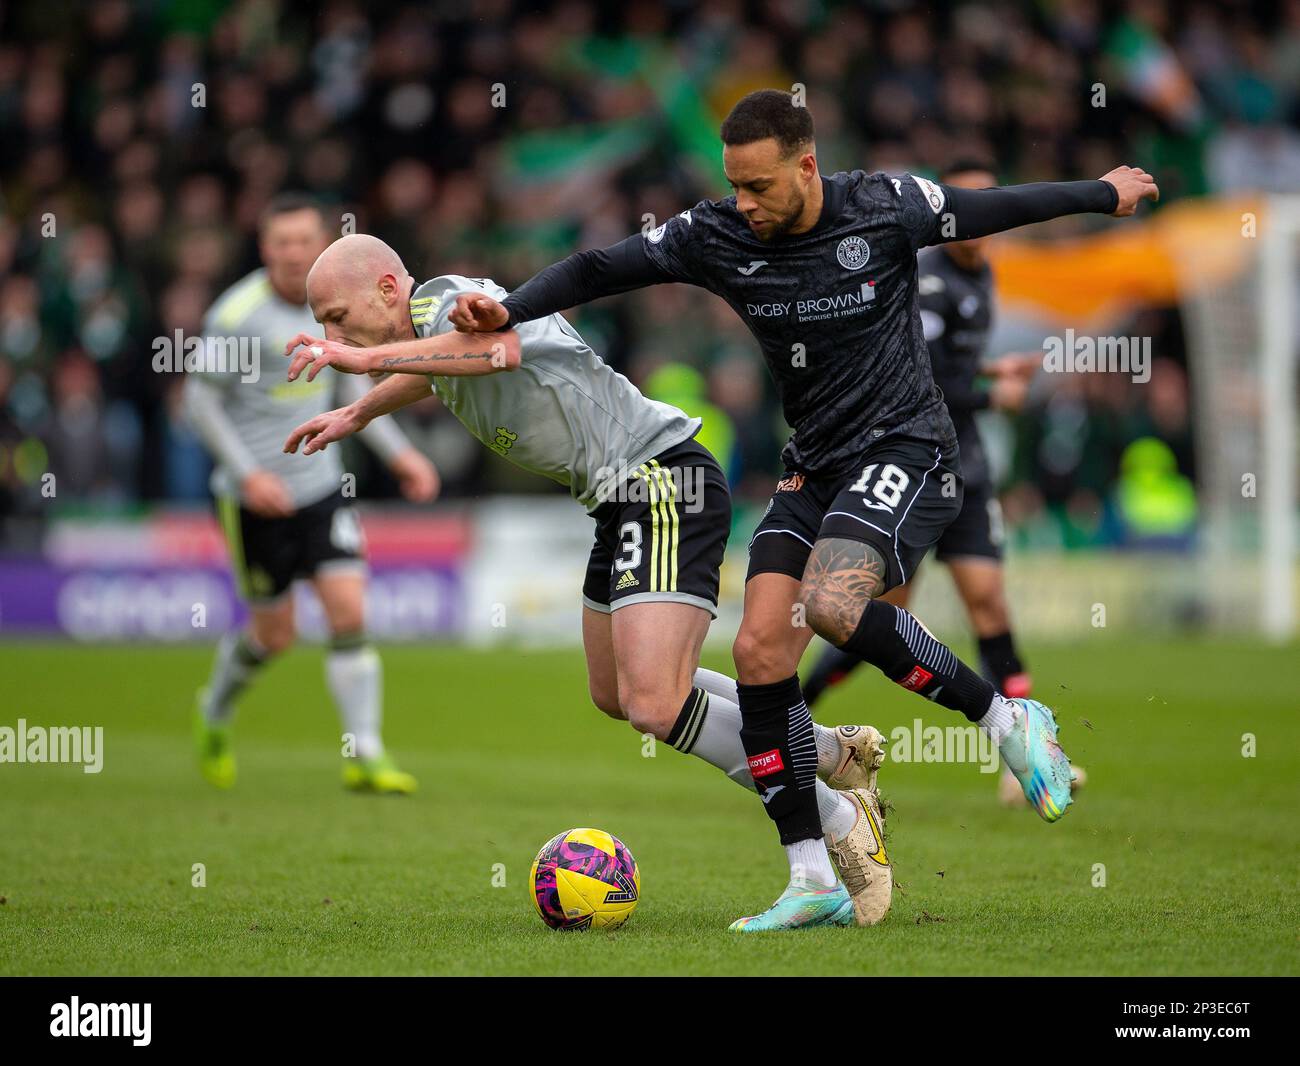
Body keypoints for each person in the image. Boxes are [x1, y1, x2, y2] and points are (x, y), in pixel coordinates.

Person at [448, 90, 1158, 929]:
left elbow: (986, 211)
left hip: (906, 449)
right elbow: (602, 268)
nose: (744, 204)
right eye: (735, 186)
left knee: (831, 605)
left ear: (806, 164)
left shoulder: (884, 206)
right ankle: (812, 876)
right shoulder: (717, 233)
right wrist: (511, 307)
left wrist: (1098, 192)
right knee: (755, 653)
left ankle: (1008, 717)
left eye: (758, 186)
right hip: (814, 465)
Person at [280, 233, 893, 930]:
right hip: (617, 499)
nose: (332, 333)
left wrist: (360, 359)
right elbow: (438, 369)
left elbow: (494, 351)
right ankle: (832, 750)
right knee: (614, 693)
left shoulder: (448, 303)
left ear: (388, 290)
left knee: (655, 704)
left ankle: (838, 821)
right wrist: (360, 409)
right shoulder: (429, 330)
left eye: (337, 315)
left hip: (661, 480)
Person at [800, 160, 1075, 809]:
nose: (975, 219)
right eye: (965, 204)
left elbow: (950, 366)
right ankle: (799, 713)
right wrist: (991, 395)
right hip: (918, 471)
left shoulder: (984, 275)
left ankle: (1024, 755)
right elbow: (919, 383)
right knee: (874, 619)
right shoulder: (927, 282)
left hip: (969, 473)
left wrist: (986, 370)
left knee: (990, 604)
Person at [184, 195, 439, 793]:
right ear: (263, 247)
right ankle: (214, 710)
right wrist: (248, 474)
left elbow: (362, 388)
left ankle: (365, 754)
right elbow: (199, 402)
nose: (293, 253)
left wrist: (401, 455)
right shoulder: (237, 315)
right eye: (281, 242)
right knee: (275, 635)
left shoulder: (337, 304)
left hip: (321, 483)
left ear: (323, 241)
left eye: (304, 241)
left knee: (349, 613)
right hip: (255, 498)